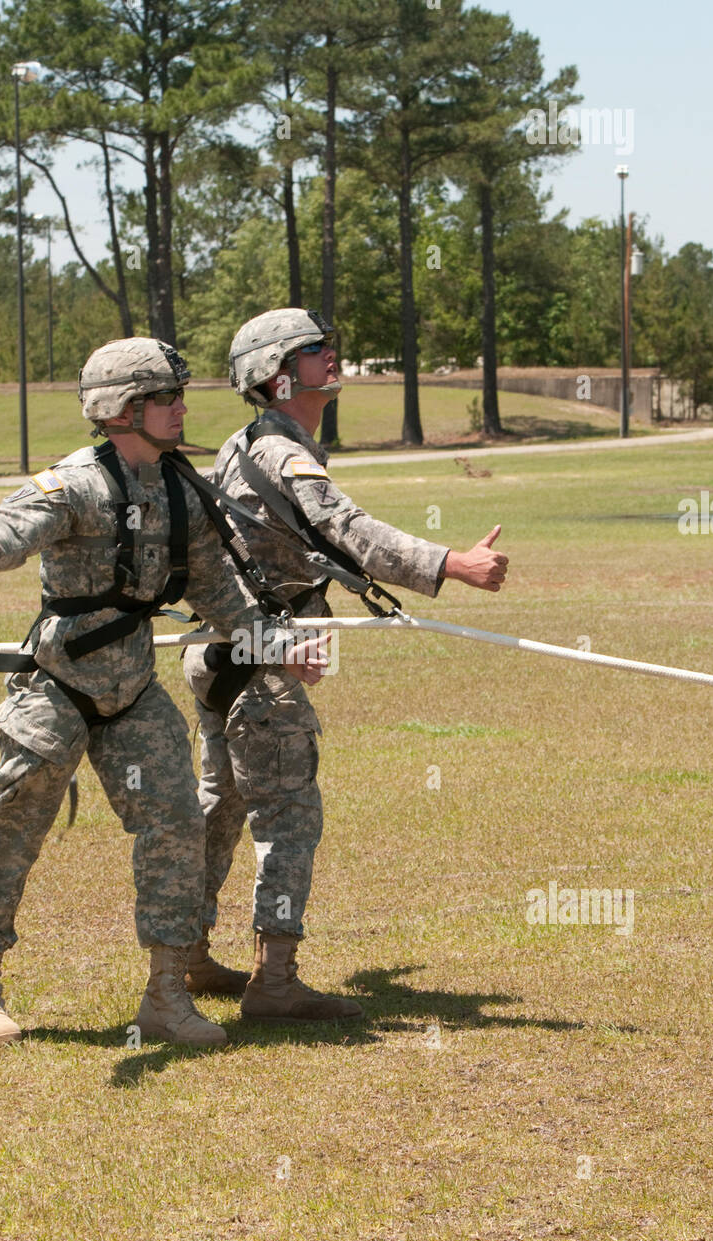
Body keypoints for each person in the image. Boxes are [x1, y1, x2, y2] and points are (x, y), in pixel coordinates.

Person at [0, 336, 325, 1050]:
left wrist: (277, 648)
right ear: (120, 409)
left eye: (178, 396)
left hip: (134, 694)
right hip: (58, 689)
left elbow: (219, 592)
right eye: (164, 398)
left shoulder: (182, 490)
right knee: (14, 824)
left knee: (176, 825)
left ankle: (165, 996)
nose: (180, 408)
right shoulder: (77, 482)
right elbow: (10, 523)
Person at [182, 308, 509, 1021]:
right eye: (312, 350)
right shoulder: (282, 452)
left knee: (221, 807)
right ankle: (273, 983)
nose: (331, 356)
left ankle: (186, 954)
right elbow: (347, 530)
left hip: (228, 652)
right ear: (276, 375)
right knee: (288, 816)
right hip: (267, 664)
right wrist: (449, 563)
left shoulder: (246, 446)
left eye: (328, 345)